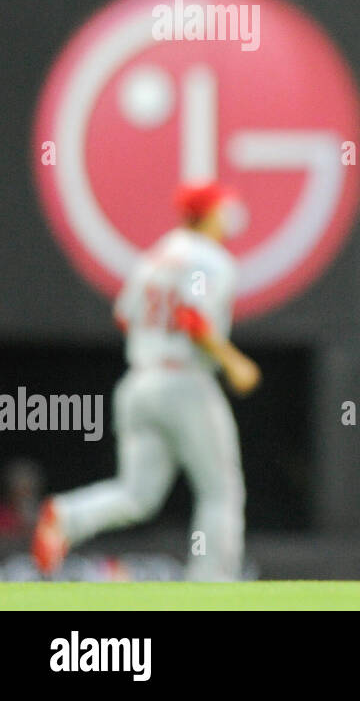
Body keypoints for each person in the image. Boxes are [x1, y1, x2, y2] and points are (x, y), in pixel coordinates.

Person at [32, 183, 260, 581]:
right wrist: (234, 363)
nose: (228, 216)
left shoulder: (156, 257)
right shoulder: (209, 260)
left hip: (139, 383)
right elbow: (193, 317)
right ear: (206, 213)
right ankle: (214, 579)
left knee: (137, 494)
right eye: (222, 208)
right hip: (184, 382)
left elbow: (125, 315)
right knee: (221, 490)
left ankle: (68, 516)